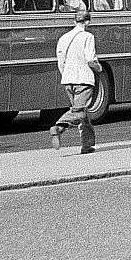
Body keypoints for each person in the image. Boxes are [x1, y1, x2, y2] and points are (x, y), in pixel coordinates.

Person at [50, 10, 103, 154]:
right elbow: (90, 59)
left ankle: (87, 145)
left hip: (68, 79)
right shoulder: (88, 36)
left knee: (83, 114)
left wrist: (67, 75)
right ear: (87, 22)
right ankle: (58, 128)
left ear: (74, 22)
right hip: (83, 79)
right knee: (79, 112)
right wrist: (99, 68)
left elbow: (61, 62)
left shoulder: (63, 38)